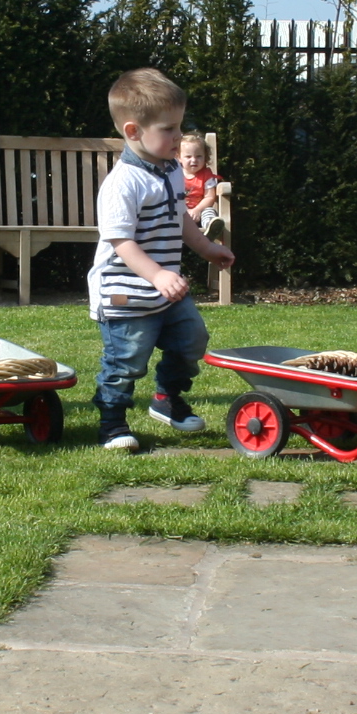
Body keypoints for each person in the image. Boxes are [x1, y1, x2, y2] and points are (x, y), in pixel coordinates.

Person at [91, 69, 235, 452]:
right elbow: (121, 242)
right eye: (169, 129)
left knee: (192, 339)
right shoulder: (123, 184)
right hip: (125, 292)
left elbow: (179, 219)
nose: (179, 137)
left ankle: (166, 398)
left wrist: (206, 247)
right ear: (134, 131)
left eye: (179, 126)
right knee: (126, 361)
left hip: (164, 287)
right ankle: (112, 422)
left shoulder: (171, 170)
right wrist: (156, 274)